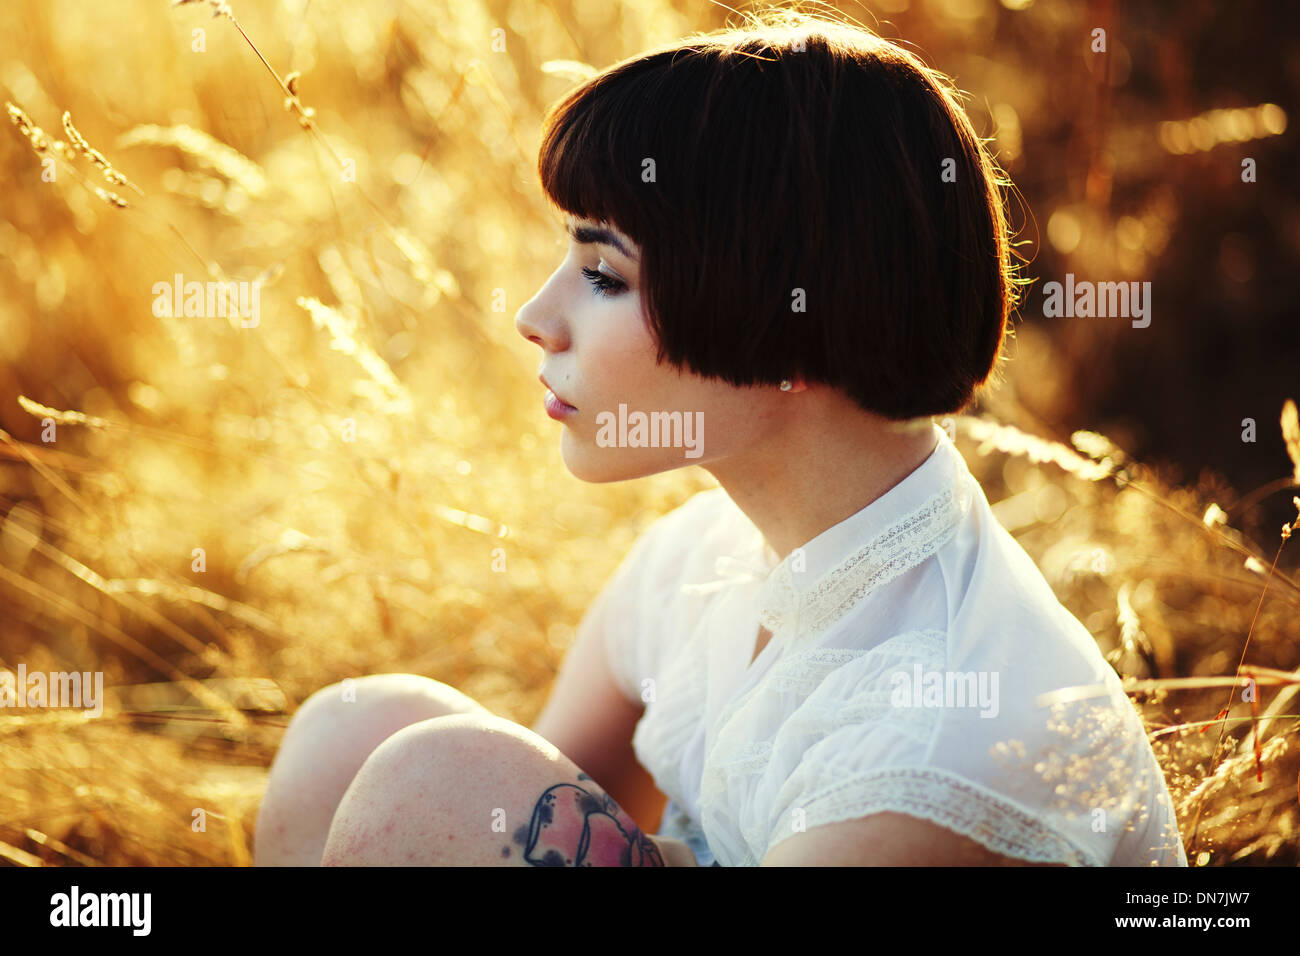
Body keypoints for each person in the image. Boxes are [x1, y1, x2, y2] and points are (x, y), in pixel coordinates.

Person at [255, 8, 1187, 867]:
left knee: (432, 781)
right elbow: (535, 801)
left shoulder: (928, 751)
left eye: (604, 276)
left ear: (788, 324)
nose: (534, 317)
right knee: (357, 733)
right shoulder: (699, 558)